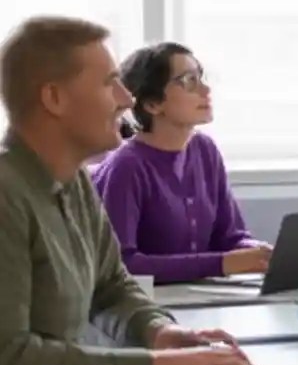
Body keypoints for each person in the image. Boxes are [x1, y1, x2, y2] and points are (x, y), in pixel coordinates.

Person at [0, 17, 260, 365]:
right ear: (53, 98)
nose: (125, 97)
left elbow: (113, 285)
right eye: (108, 82)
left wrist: (163, 334)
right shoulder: (5, 195)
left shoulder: (74, 179)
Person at [91, 43, 270, 284]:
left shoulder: (205, 150)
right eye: (188, 81)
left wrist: (260, 253)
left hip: (200, 298)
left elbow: (230, 237)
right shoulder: (126, 167)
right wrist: (222, 263)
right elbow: (123, 265)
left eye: (202, 78)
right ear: (152, 104)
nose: (205, 90)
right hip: (150, 307)